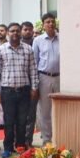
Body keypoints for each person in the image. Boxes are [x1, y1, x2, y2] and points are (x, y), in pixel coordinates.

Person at [0, 23, 38, 158]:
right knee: (8, 121)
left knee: (22, 121)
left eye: (17, 31)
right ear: (7, 33)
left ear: (20, 33)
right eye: (12, 31)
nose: (15, 34)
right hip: (7, 91)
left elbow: (33, 70)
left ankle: (20, 147)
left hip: (24, 90)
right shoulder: (0, 50)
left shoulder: (28, 49)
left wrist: (34, 87)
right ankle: (7, 148)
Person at [32, 13, 60, 145]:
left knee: (59, 109)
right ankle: (47, 139)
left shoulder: (62, 38)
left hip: (60, 77)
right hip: (44, 77)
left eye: (52, 21)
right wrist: (35, 84)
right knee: (45, 110)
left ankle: (59, 136)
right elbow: (34, 63)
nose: (51, 24)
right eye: (47, 22)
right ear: (43, 25)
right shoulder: (38, 41)